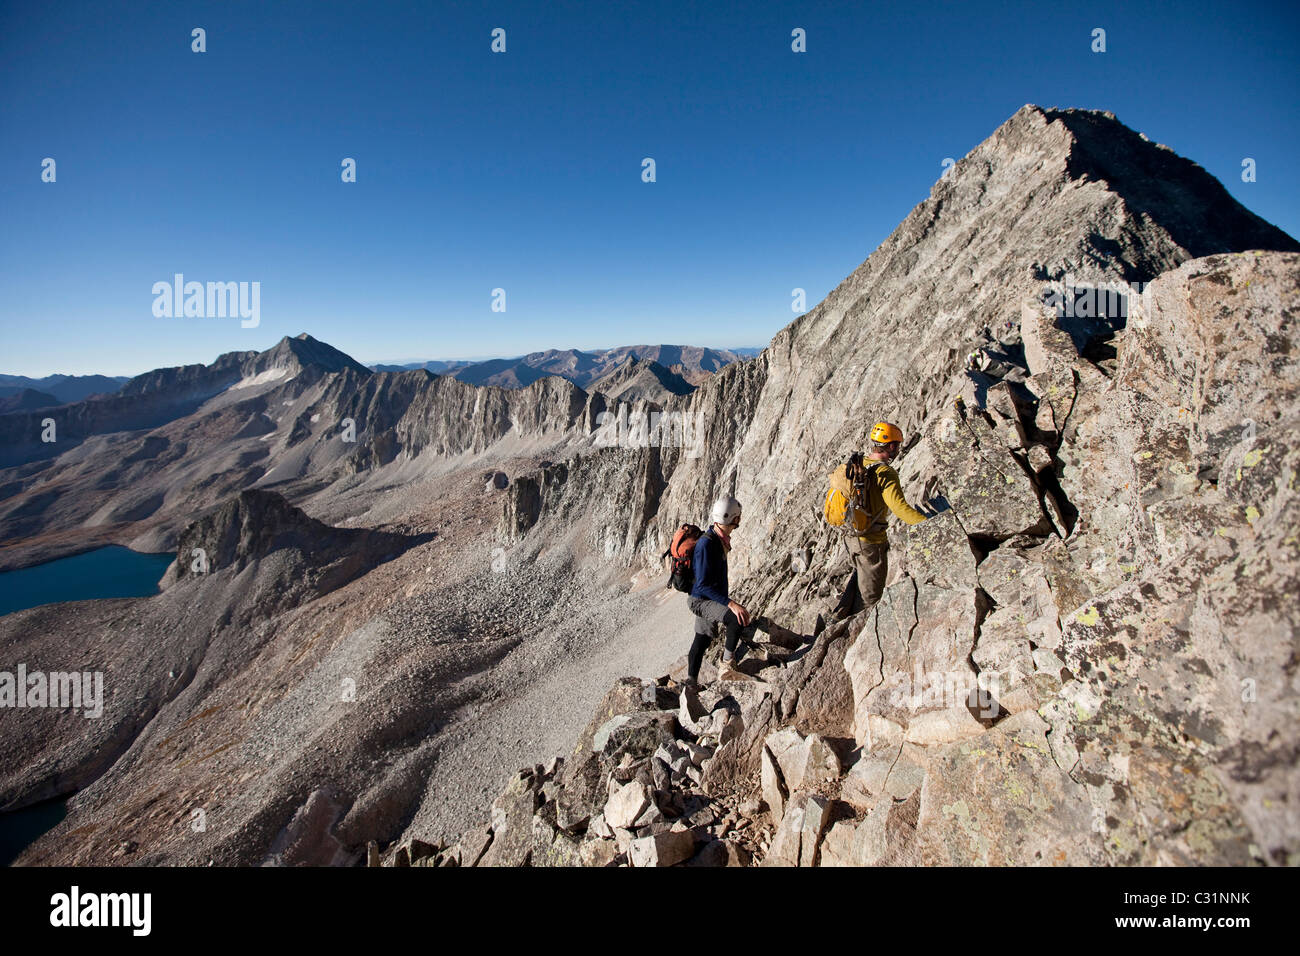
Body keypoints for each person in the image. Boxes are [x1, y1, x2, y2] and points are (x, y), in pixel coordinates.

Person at [833, 422, 929, 619]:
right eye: (897, 445)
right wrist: (928, 525)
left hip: (851, 539)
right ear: (891, 446)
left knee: (859, 583)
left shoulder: (860, 466)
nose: (898, 449)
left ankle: (837, 621)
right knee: (870, 601)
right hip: (871, 544)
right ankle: (851, 636)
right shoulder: (885, 473)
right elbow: (900, 508)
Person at [685, 494, 749, 686]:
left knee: (703, 639)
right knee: (735, 619)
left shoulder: (718, 538)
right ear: (733, 518)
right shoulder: (707, 544)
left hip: (707, 597)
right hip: (701, 600)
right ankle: (727, 668)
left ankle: (691, 682)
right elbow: (703, 584)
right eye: (737, 518)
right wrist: (731, 604)